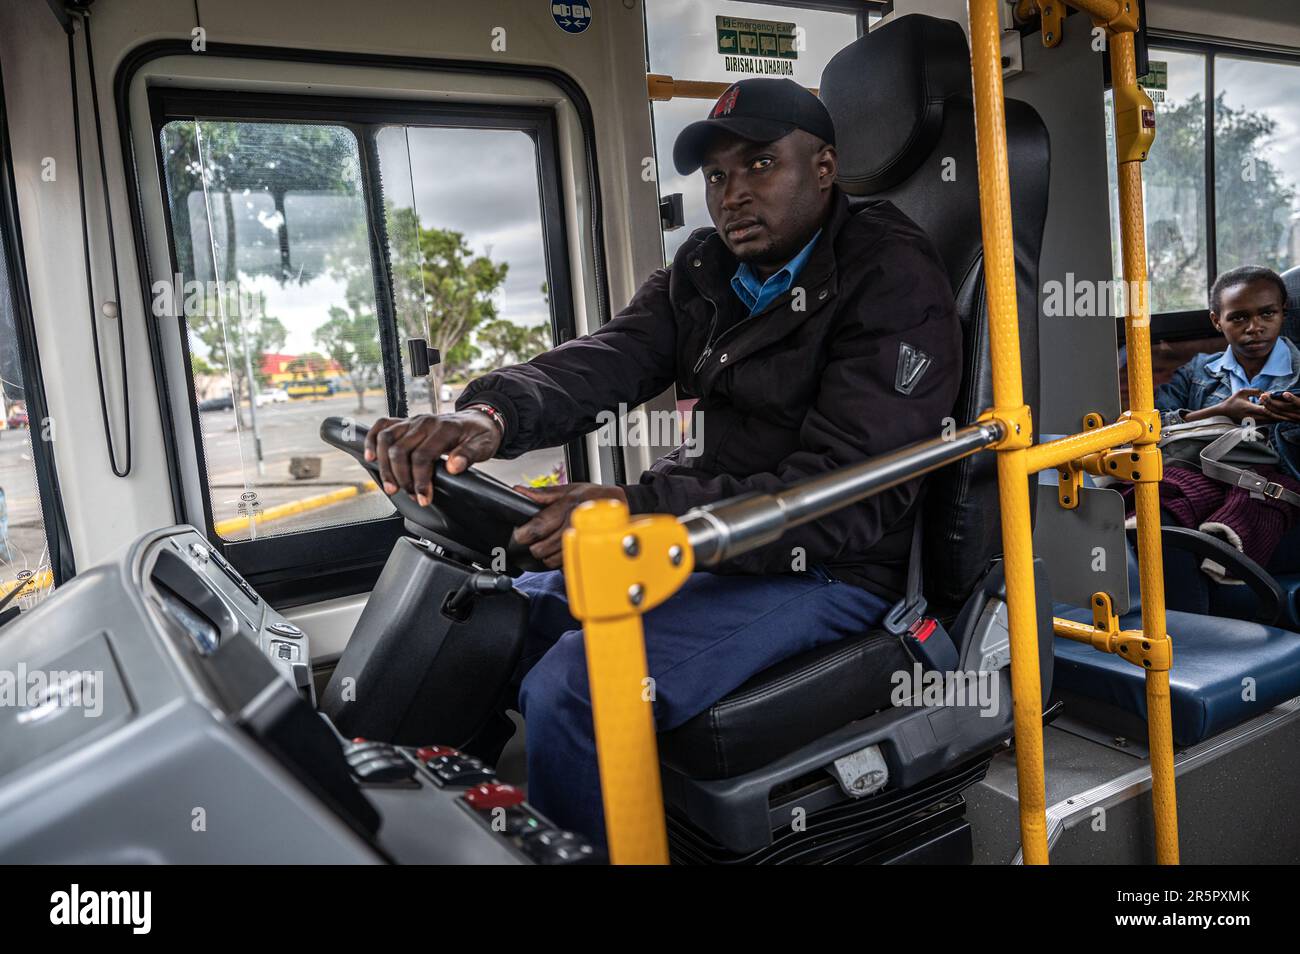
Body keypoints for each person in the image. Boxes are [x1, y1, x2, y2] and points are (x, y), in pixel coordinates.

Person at [364, 78, 962, 845]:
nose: (734, 195)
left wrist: (638, 513)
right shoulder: (708, 269)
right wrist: (487, 416)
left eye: (759, 165)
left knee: (576, 688)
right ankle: (404, 830)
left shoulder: (890, 275)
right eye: (717, 176)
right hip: (713, 541)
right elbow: (609, 359)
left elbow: (844, 493)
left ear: (823, 168)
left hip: (829, 564)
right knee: (491, 616)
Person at [1152, 265, 1300, 609]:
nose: (1255, 328)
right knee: (1160, 511)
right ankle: (1188, 639)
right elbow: (1150, 425)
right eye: (1239, 318)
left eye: (1267, 313)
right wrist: (1218, 412)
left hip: (1279, 501)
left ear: (1283, 313)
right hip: (1206, 489)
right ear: (1217, 321)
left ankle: (1193, 640)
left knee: (1207, 528)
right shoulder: (1199, 372)